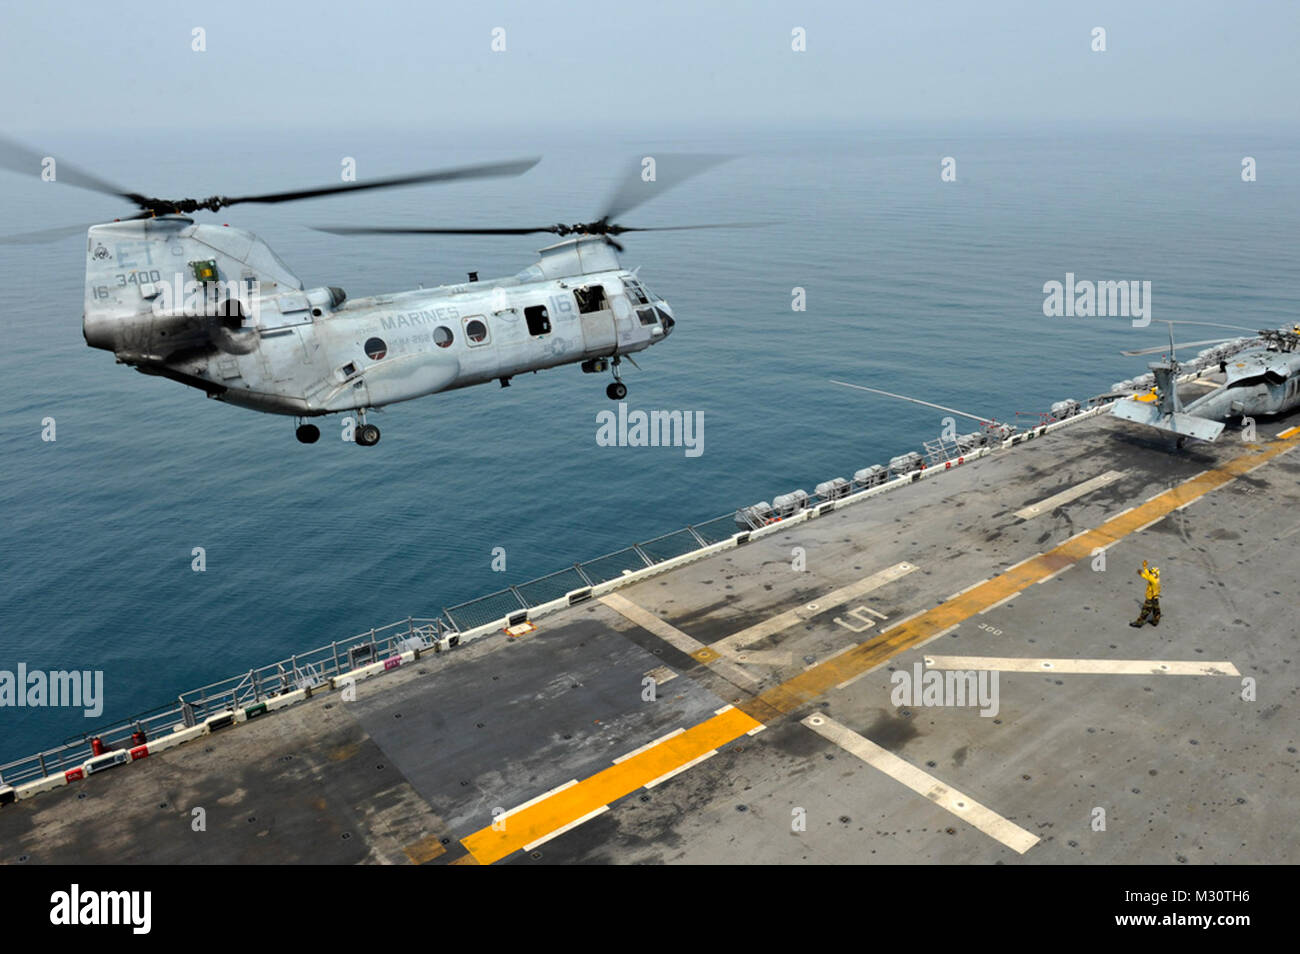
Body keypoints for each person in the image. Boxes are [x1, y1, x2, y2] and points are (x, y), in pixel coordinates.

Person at [1130, 560, 1161, 627]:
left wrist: (1143, 569)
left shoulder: (1153, 580)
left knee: (1145, 611)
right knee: (1156, 609)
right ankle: (1155, 621)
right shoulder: (1156, 579)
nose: (1150, 573)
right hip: (1155, 597)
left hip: (1151, 598)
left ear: (1154, 574)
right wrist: (1143, 570)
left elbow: (1147, 575)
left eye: (1151, 572)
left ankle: (1139, 623)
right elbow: (1148, 576)